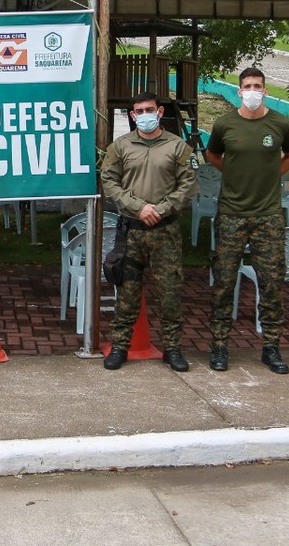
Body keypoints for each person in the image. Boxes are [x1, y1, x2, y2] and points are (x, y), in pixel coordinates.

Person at [205, 67, 289, 374]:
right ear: (239, 91)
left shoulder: (281, 123)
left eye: (257, 86)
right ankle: (220, 345)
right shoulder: (225, 123)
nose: (253, 91)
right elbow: (213, 155)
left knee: (271, 283)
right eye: (247, 86)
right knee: (224, 283)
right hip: (231, 214)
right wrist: (233, 174)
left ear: (265, 91)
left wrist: (274, 174)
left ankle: (271, 347)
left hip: (268, 215)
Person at [100, 91, 198, 372]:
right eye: (139, 111)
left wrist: (161, 209)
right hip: (131, 230)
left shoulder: (178, 147)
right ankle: (121, 346)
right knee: (127, 292)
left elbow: (188, 185)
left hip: (165, 231)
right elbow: (109, 181)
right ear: (133, 115)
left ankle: (173, 348)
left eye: (149, 110)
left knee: (170, 292)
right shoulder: (120, 146)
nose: (145, 115)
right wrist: (139, 207)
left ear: (159, 112)